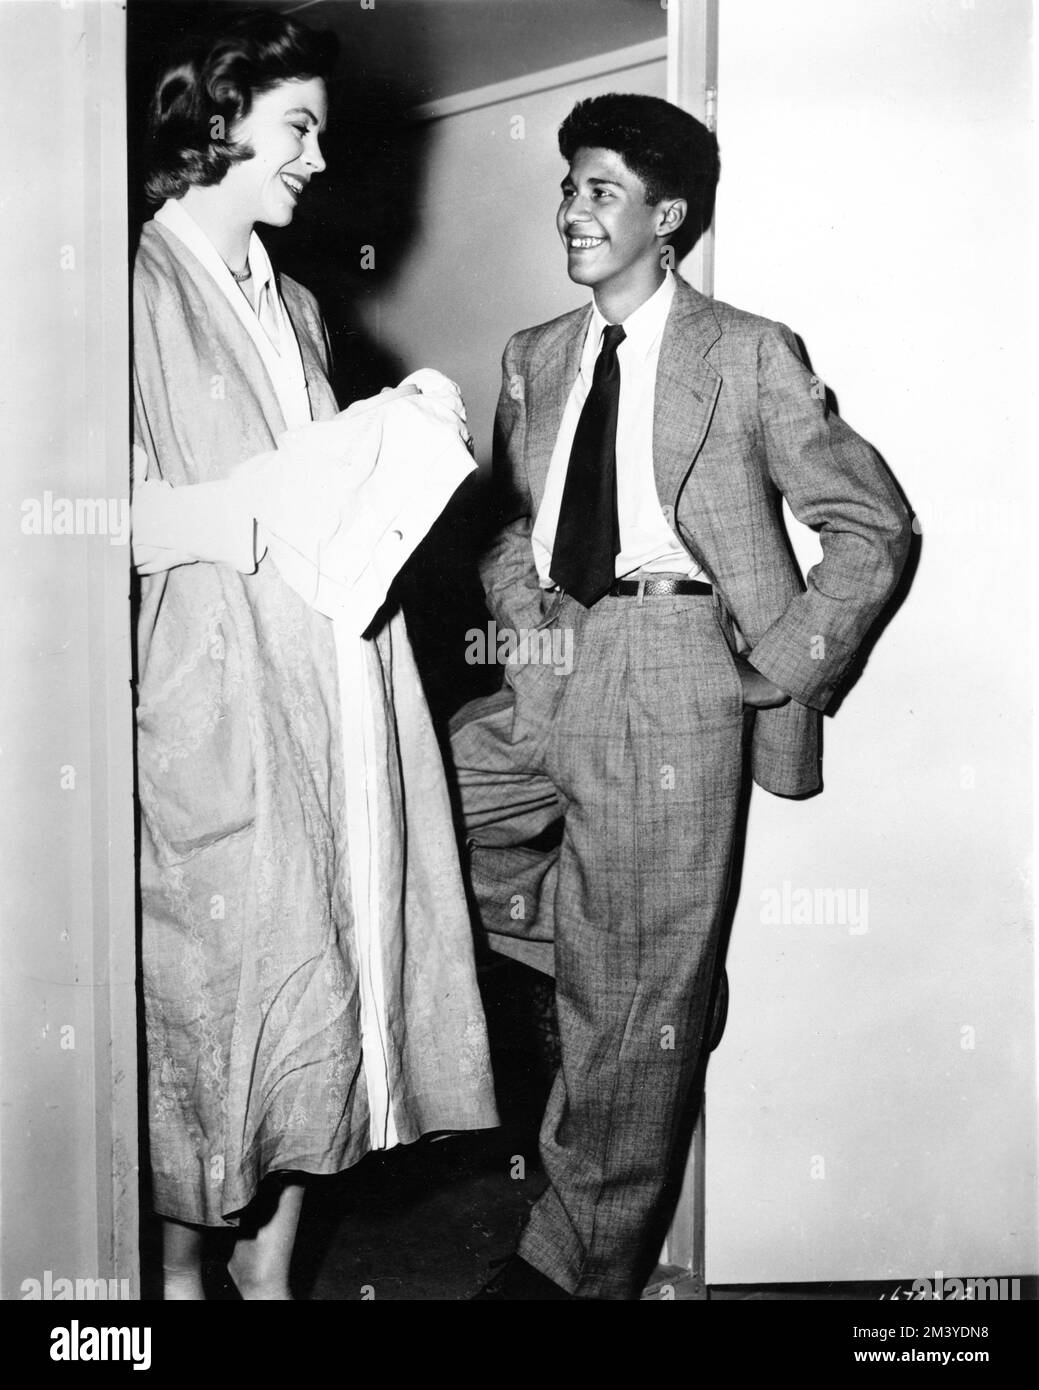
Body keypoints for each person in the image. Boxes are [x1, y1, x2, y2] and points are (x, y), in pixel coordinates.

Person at [450, 93, 911, 1301]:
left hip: (674, 664)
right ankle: (653, 969)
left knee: (630, 999)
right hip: (555, 654)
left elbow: (871, 524)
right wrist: (526, 611)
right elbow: (507, 521)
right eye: (566, 186)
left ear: (668, 216)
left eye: (599, 188)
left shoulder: (748, 350)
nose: (570, 208)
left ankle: (565, 1272)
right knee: (414, 809)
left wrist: (781, 658)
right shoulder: (532, 356)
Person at [131, 10, 497, 1300]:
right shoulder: (128, 289)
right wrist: (277, 487)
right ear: (217, 120)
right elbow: (104, 522)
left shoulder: (293, 302)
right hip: (219, 689)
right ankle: (177, 1282)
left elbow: (336, 504)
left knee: (340, 968)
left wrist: (388, 437)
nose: (316, 161)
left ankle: (272, 1281)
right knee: (222, 989)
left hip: (342, 678)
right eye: (298, 129)